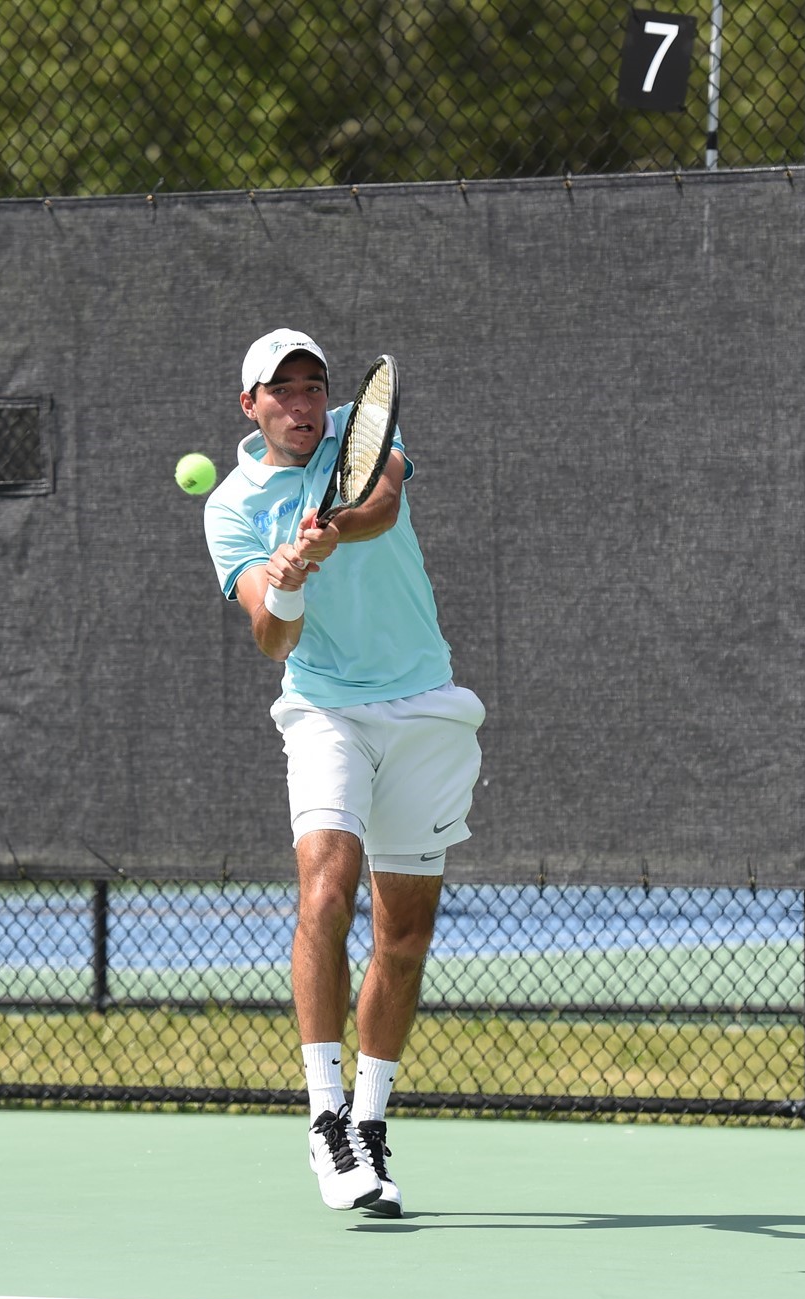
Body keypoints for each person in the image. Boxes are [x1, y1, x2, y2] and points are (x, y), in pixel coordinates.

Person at [202, 329, 484, 1217]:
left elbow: (383, 507)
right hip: (325, 708)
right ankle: (324, 1117)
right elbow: (271, 638)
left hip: (424, 703)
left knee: (404, 936)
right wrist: (283, 584)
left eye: (311, 385)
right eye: (279, 390)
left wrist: (325, 539)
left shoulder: (364, 425)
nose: (301, 402)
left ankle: (370, 1122)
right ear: (249, 405)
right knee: (326, 891)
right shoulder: (233, 508)